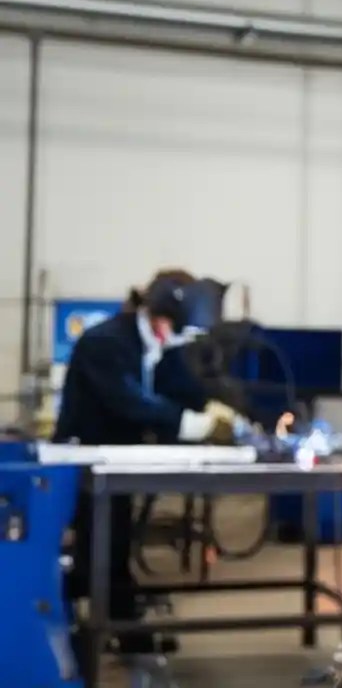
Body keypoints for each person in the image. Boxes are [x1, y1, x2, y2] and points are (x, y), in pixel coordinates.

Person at [56, 269, 243, 655]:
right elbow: (129, 400)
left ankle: (114, 628)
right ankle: (109, 635)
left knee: (110, 550)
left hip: (120, 465)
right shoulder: (104, 343)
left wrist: (227, 408)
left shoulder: (161, 343)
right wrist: (186, 422)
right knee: (101, 553)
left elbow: (185, 389)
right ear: (158, 316)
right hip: (84, 466)